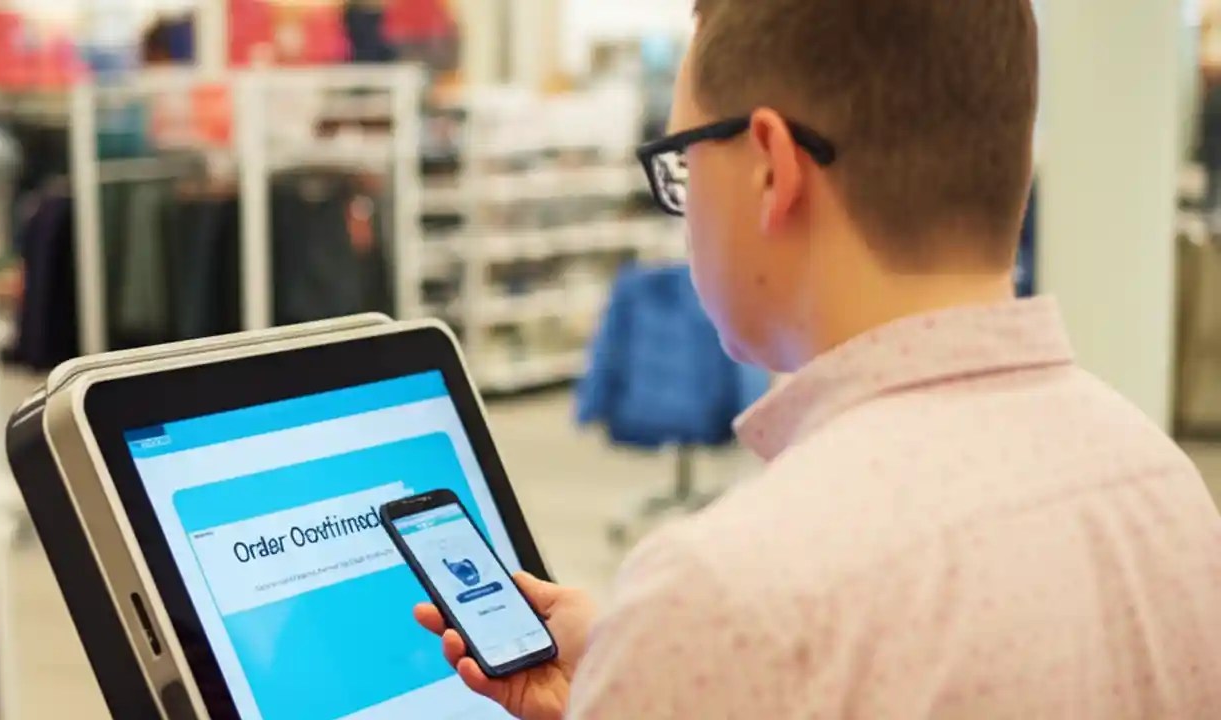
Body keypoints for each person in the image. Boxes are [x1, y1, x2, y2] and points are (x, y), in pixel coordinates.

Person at [416, 0, 1221, 717]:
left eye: (684, 163)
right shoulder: (1162, 487)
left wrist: (669, 657)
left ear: (771, 167)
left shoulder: (731, 599)